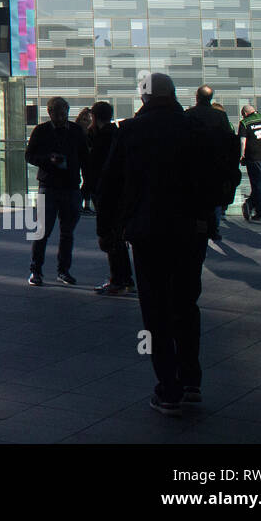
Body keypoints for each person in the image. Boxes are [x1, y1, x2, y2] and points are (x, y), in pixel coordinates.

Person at [99, 73, 224, 416]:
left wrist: (107, 230)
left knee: (155, 311)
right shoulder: (193, 128)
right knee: (185, 303)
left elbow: (109, 185)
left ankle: (168, 388)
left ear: (144, 98)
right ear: (173, 94)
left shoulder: (131, 132)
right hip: (189, 230)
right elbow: (216, 177)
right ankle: (191, 380)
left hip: (148, 232)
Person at [24, 96, 89, 285]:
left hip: (69, 185)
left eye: (64, 113)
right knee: (44, 231)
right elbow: (30, 155)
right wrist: (48, 159)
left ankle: (62, 270)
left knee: (66, 232)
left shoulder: (76, 131)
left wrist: (86, 183)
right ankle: (36, 270)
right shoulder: (41, 131)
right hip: (50, 185)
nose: (61, 116)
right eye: (58, 113)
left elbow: (85, 157)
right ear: (50, 112)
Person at [89, 101, 134, 294]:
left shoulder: (101, 138)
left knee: (109, 236)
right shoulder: (117, 134)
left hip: (105, 192)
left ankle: (118, 279)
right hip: (119, 191)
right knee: (118, 237)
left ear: (94, 116)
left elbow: (94, 167)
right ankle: (126, 278)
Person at [185, 87, 240, 239]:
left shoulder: (189, 115)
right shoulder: (220, 116)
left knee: (196, 203)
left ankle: (199, 230)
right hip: (216, 166)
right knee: (213, 200)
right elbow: (229, 141)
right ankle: (212, 229)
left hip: (194, 166)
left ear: (197, 97)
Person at [76, 107, 96, 212]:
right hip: (83, 159)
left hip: (88, 160)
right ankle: (83, 204)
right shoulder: (80, 133)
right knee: (87, 181)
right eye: (85, 120)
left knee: (88, 181)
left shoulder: (90, 132)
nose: (87, 122)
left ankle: (85, 204)